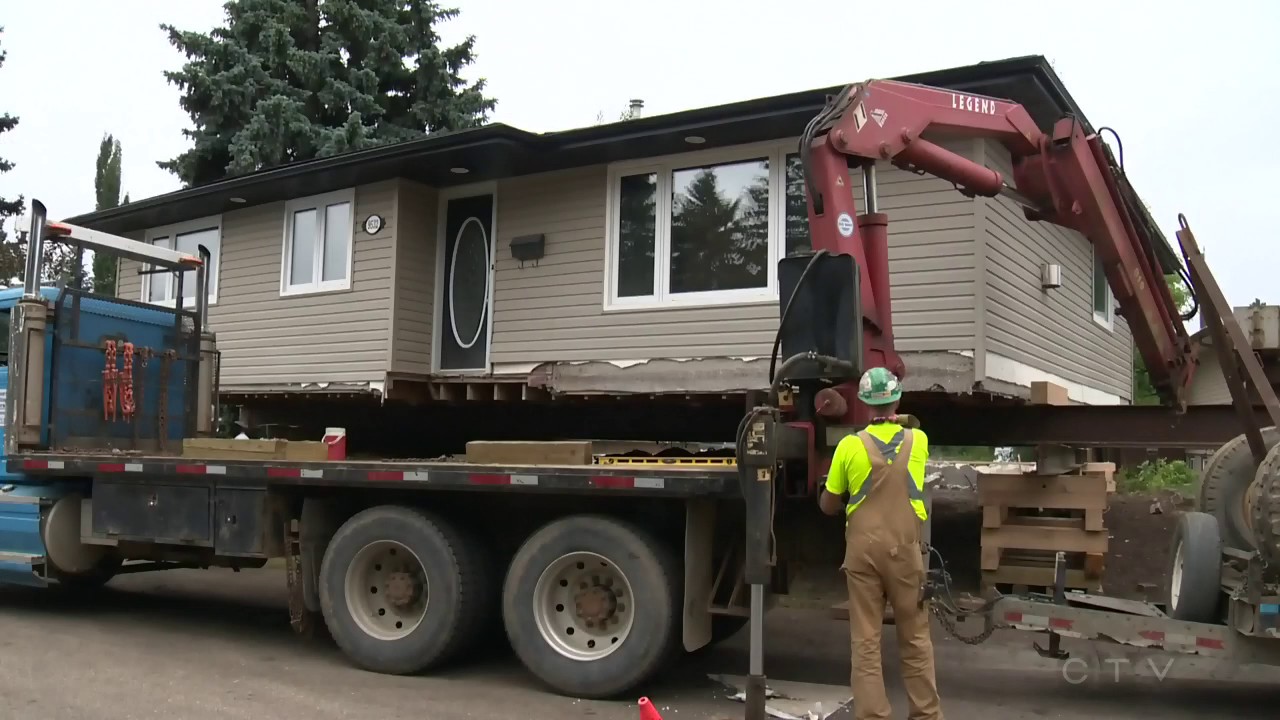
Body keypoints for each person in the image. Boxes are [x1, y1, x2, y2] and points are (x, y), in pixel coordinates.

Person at [819, 366, 942, 720]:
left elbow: (829, 505)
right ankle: (926, 715)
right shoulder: (918, 441)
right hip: (905, 551)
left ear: (861, 404)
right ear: (898, 399)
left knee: (866, 642)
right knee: (916, 640)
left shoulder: (848, 446)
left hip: (863, 555)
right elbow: (911, 426)